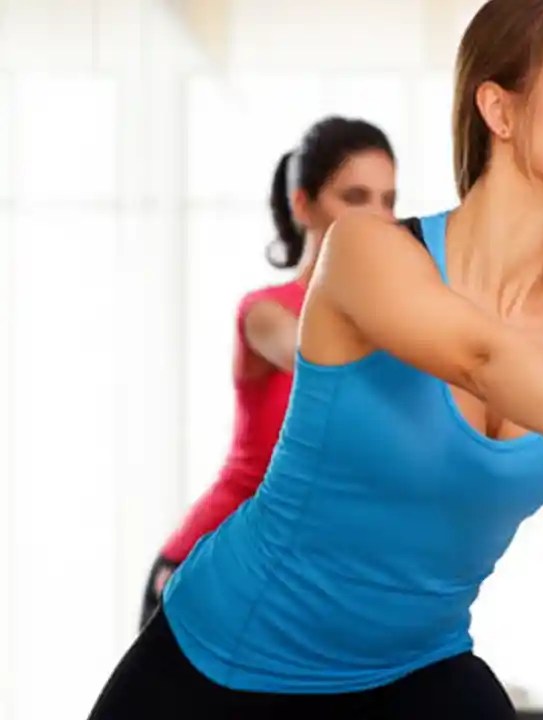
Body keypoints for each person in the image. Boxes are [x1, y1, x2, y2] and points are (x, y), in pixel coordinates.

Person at [88, 1, 543, 718]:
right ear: (499, 107)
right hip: (226, 664)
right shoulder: (366, 251)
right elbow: (479, 354)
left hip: (412, 671)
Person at [137, 116, 398, 629]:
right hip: (203, 566)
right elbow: (318, 357)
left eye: (389, 200)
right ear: (303, 204)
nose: (379, 218)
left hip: (295, 583)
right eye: (356, 197)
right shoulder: (264, 313)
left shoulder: (391, 324)